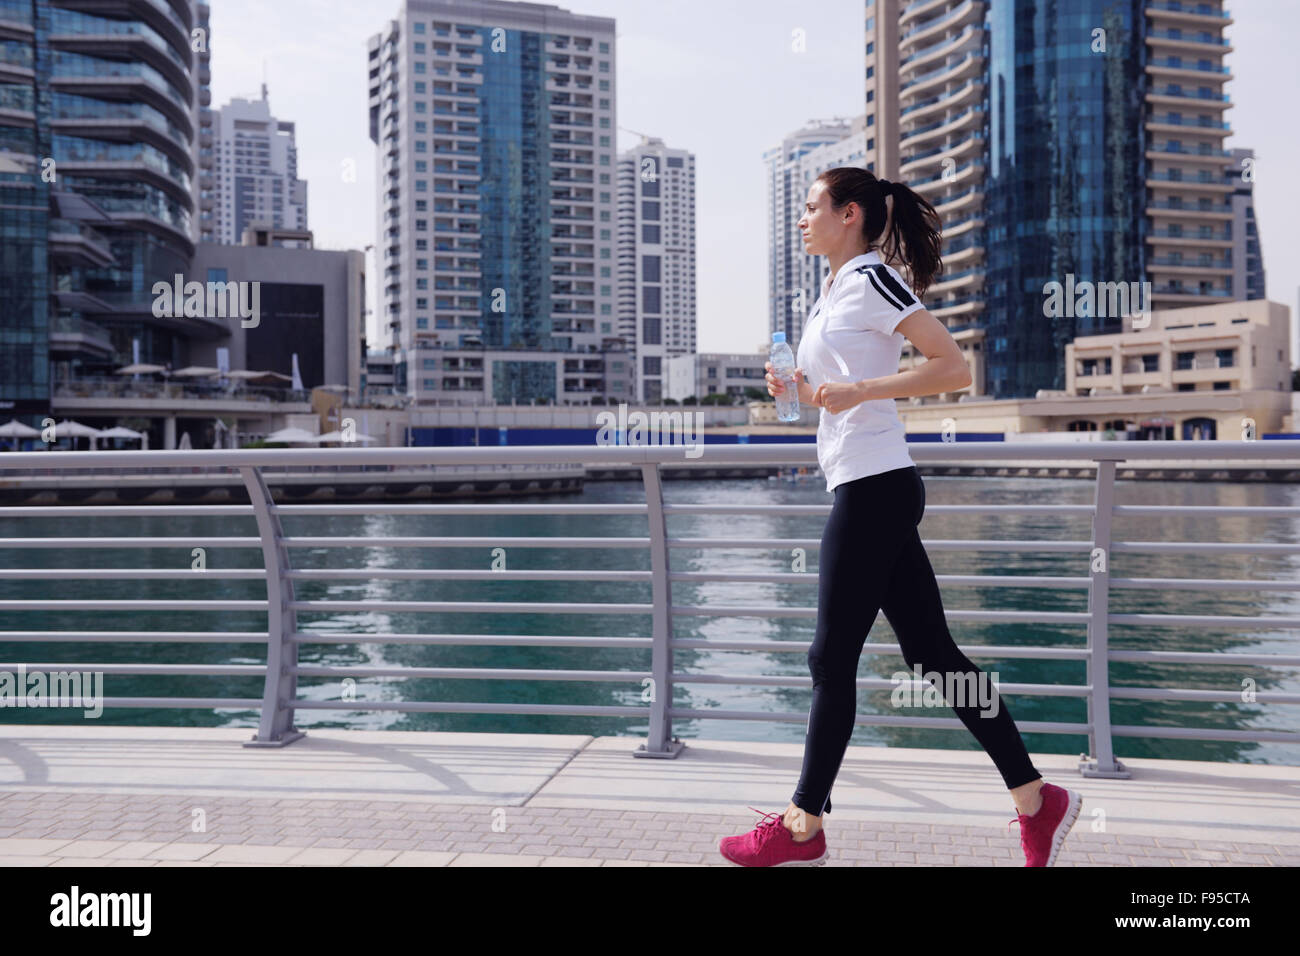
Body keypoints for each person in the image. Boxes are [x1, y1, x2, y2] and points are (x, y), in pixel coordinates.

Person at [718, 167, 1082, 867]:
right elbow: (837, 394)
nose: (802, 219)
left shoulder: (871, 279)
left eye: (810, 207)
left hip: (875, 486)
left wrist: (860, 389)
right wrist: (798, 388)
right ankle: (1037, 800)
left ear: (849, 214)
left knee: (830, 658)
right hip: (862, 480)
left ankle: (802, 825)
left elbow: (953, 367)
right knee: (933, 656)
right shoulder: (827, 294)